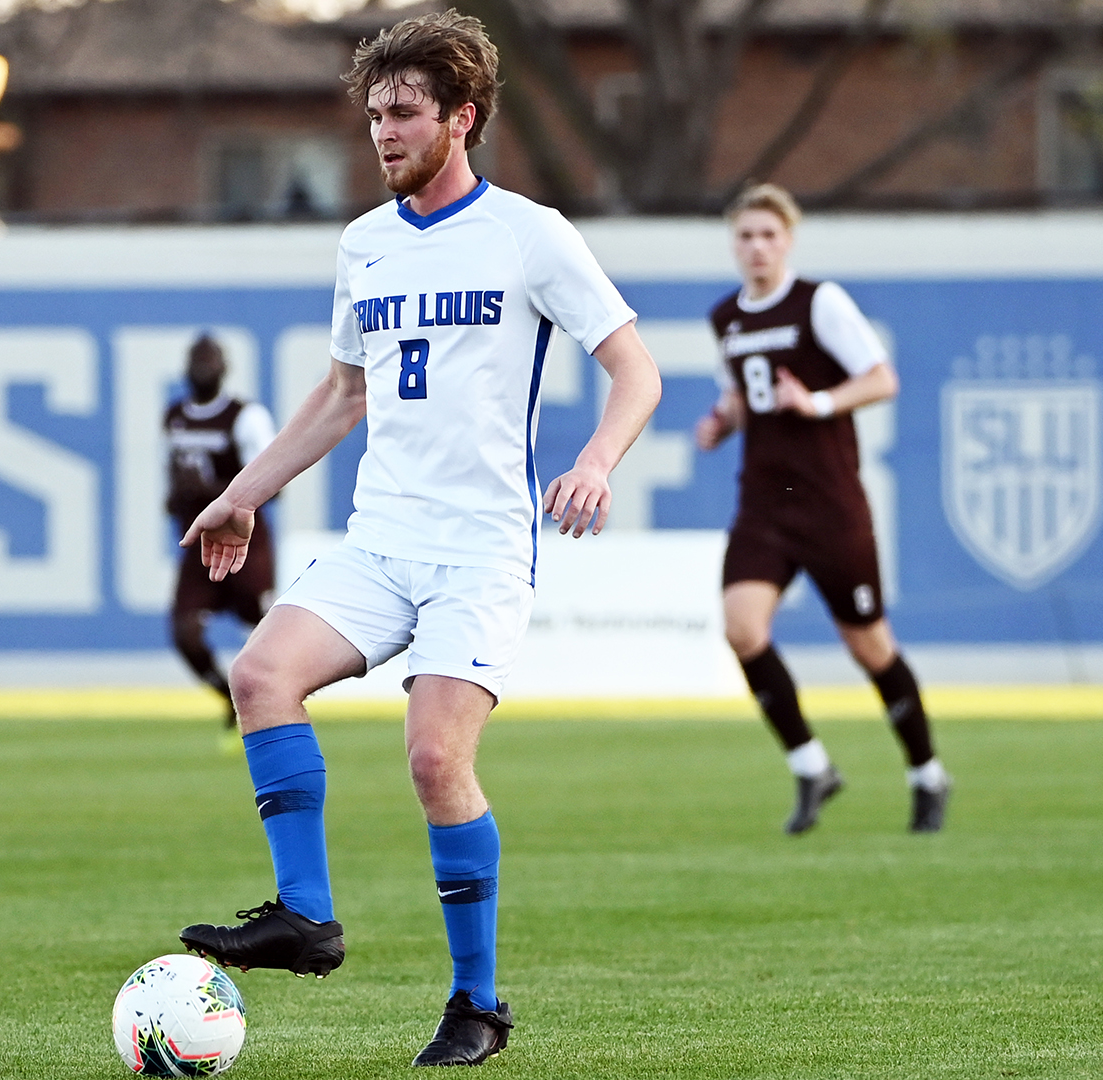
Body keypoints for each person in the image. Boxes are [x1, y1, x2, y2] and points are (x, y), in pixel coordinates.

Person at [173, 12, 661, 1067]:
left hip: (482, 549)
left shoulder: (532, 234)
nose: (384, 134)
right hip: (380, 538)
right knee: (259, 674)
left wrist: (594, 461)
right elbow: (341, 394)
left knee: (436, 759)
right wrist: (245, 494)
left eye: (403, 114)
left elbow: (638, 370)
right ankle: (305, 916)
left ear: (463, 118)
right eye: (373, 117)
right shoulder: (366, 244)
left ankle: (476, 1005)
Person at [694, 183, 950, 835]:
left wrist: (820, 403)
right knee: (742, 629)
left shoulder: (819, 302)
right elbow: (743, 396)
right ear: (734, 243)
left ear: (789, 241)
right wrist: (723, 422)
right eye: (746, 235)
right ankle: (812, 766)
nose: (756, 247)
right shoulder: (727, 316)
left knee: (870, 648)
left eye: (768, 235)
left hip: (831, 504)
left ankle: (927, 772)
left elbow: (881, 378)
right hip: (764, 504)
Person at [165, 334, 277, 727]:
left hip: (243, 542)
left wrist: (212, 492)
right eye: (196, 362)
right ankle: (226, 699)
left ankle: (276, 709)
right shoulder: (175, 416)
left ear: (224, 368)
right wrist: (177, 497)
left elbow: (274, 484)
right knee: (185, 634)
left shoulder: (246, 417)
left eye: (209, 362)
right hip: (197, 544)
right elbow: (178, 471)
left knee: (266, 637)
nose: (201, 370)